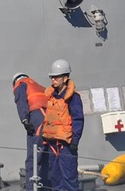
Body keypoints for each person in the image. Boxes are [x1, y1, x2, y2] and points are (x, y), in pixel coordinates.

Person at [41, 59, 83, 191]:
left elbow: (78, 119)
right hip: (53, 145)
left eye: (56, 77)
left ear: (65, 78)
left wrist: (75, 141)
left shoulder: (73, 98)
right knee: (56, 178)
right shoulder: (51, 97)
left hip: (67, 145)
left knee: (69, 178)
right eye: (52, 77)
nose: (53, 80)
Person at [13, 73, 49, 191]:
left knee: (33, 157)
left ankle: (31, 188)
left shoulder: (21, 85)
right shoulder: (39, 86)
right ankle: (45, 187)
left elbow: (21, 102)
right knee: (46, 156)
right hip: (49, 120)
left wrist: (25, 120)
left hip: (37, 120)